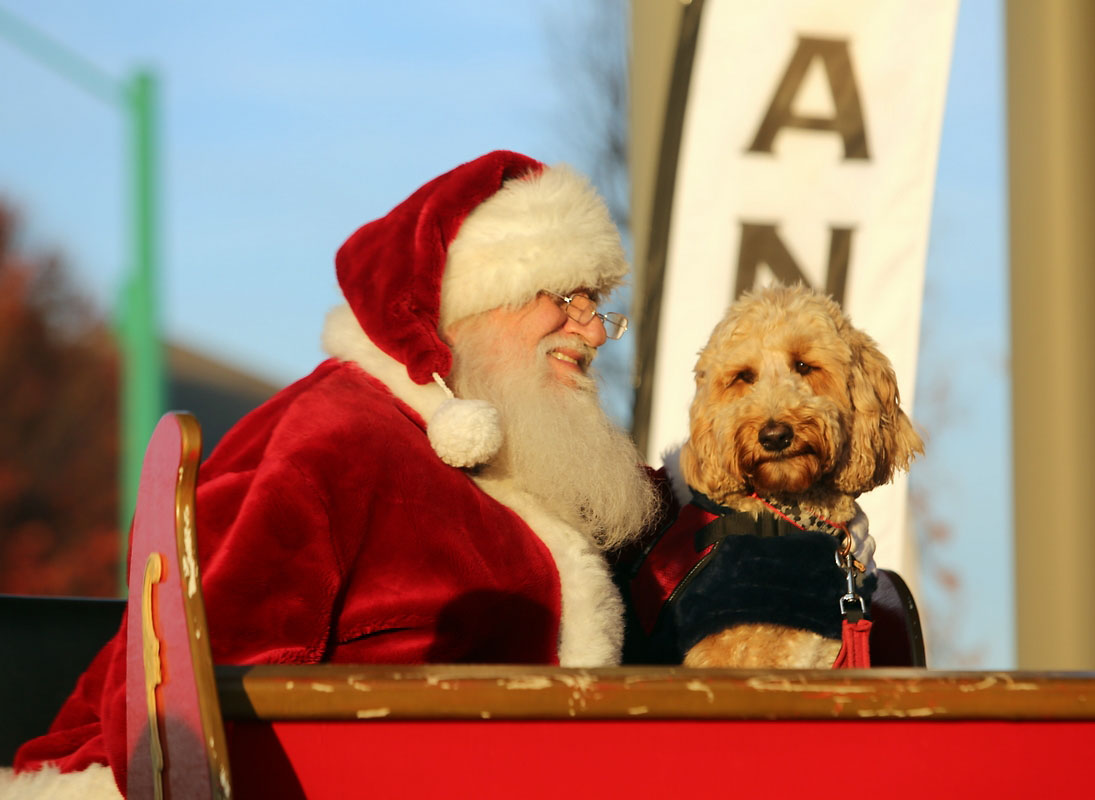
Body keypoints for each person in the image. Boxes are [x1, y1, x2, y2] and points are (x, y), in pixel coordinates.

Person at [9, 150, 661, 798]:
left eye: (597, 304)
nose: (594, 332)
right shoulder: (333, 437)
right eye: (567, 296)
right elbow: (189, 688)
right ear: (479, 297)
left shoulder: (522, 465)